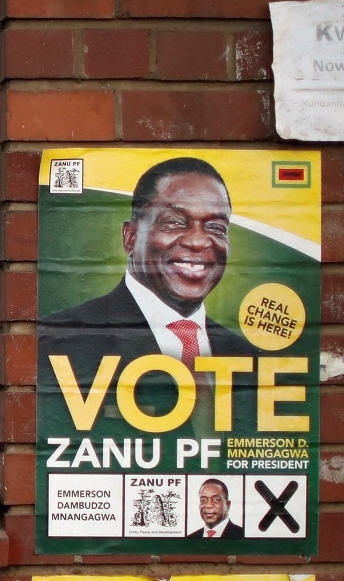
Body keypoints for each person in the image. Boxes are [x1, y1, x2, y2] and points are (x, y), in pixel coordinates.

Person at [38, 157, 261, 426]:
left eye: (215, 227)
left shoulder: (251, 359)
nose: (198, 241)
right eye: (175, 222)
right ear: (130, 237)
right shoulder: (57, 341)